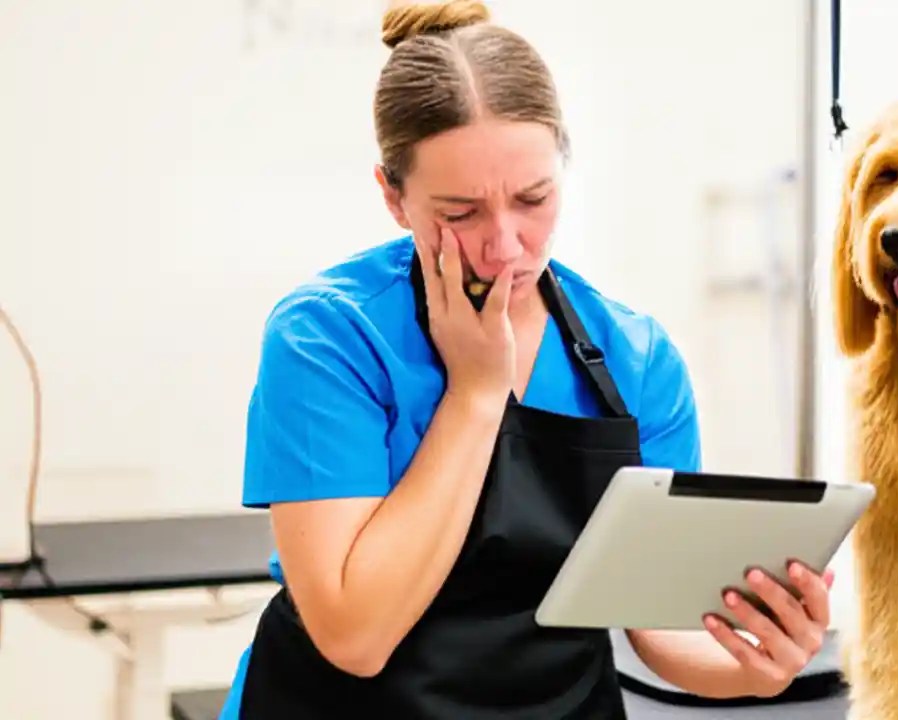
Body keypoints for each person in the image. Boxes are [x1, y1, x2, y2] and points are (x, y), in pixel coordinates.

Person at [218, 2, 835, 717]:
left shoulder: (635, 358)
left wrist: (756, 666)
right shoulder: (329, 337)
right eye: (460, 213)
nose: (506, 246)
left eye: (533, 199)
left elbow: (658, 622)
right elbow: (355, 635)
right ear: (393, 197)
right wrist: (476, 394)